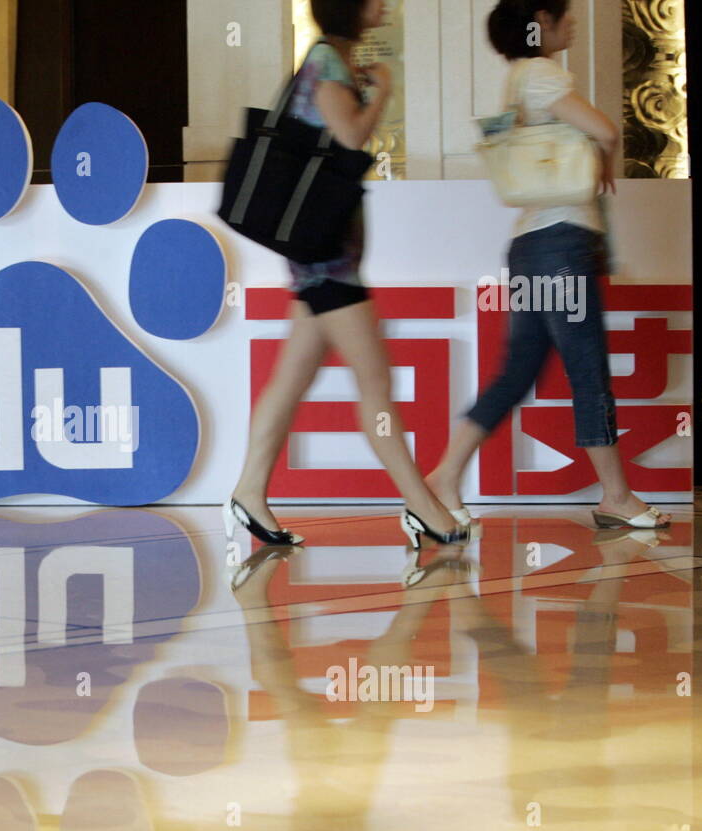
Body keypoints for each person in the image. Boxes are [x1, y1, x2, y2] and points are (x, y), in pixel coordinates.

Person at [225, 0, 469, 551]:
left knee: (292, 379)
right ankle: (422, 504)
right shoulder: (327, 63)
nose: (384, 4)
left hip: (325, 256)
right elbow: (352, 135)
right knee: (376, 384)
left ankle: (249, 491)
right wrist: (381, 88)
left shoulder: (333, 61)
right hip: (326, 260)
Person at [426, 0, 670, 530]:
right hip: (561, 248)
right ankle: (617, 497)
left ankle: (445, 476)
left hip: (533, 248)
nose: (573, 22)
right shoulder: (539, 73)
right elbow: (604, 128)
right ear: (541, 22)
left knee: (518, 371)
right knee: (587, 369)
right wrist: (603, 153)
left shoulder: (518, 79)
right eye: (564, 15)